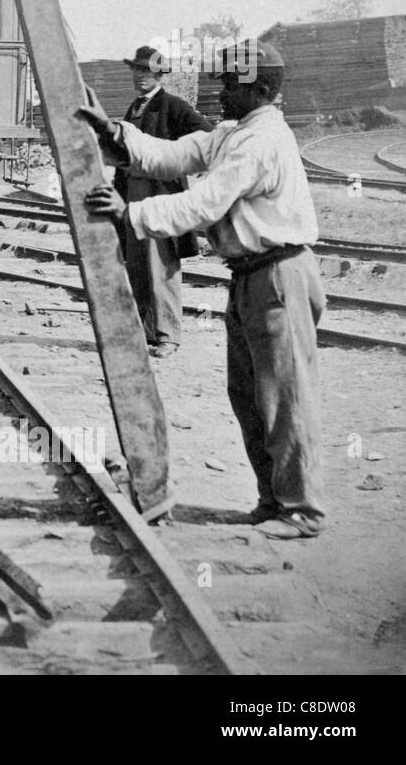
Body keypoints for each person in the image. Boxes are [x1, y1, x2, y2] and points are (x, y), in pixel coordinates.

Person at [79, 40, 327, 541]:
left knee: (284, 397)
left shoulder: (260, 143)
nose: (219, 93)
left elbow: (203, 204)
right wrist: (117, 134)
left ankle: (301, 510)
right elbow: (172, 156)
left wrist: (134, 213)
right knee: (250, 396)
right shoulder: (234, 134)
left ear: (259, 89)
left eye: (229, 85)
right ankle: (272, 501)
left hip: (279, 275)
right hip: (253, 276)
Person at [115, 46, 213, 357]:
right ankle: (145, 334)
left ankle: (168, 335)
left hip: (161, 197)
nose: (141, 75)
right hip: (132, 195)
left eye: (148, 70)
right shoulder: (135, 109)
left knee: (162, 267)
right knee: (138, 267)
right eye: (137, 69)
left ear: (160, 75)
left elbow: (206, 135)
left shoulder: (172, 106)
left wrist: (177, 160)